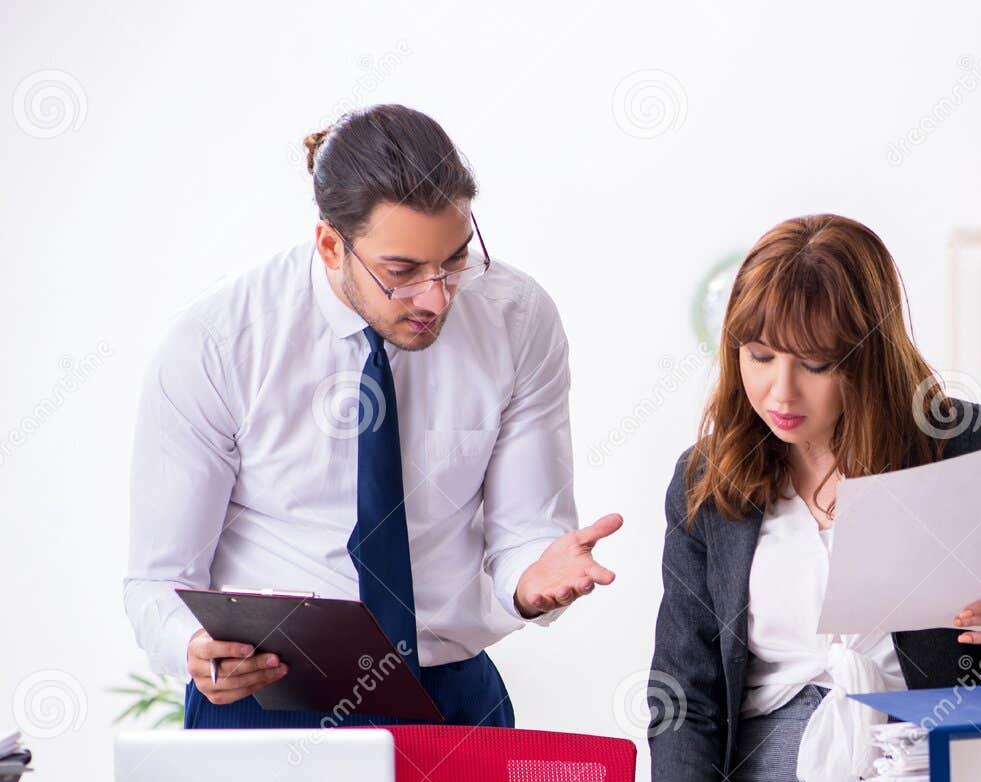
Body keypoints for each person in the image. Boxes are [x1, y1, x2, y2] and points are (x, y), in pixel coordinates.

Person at [634, 214, 981, 782]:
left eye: (814, 363)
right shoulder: (706, 480)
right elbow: (683, 680)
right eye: (759, 354)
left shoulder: (949, 442)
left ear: (866, 357)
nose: (779, 390)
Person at [123, 105, 620, 728]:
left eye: (455, 259)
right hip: (268, 695)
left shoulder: (516, 318)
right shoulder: (219, 341)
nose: (436, 297)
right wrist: (191, 648)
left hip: (450, 694)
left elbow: (527, 534)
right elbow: (158, 580)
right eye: (402, 272)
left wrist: (529, 582)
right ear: (331, 245)